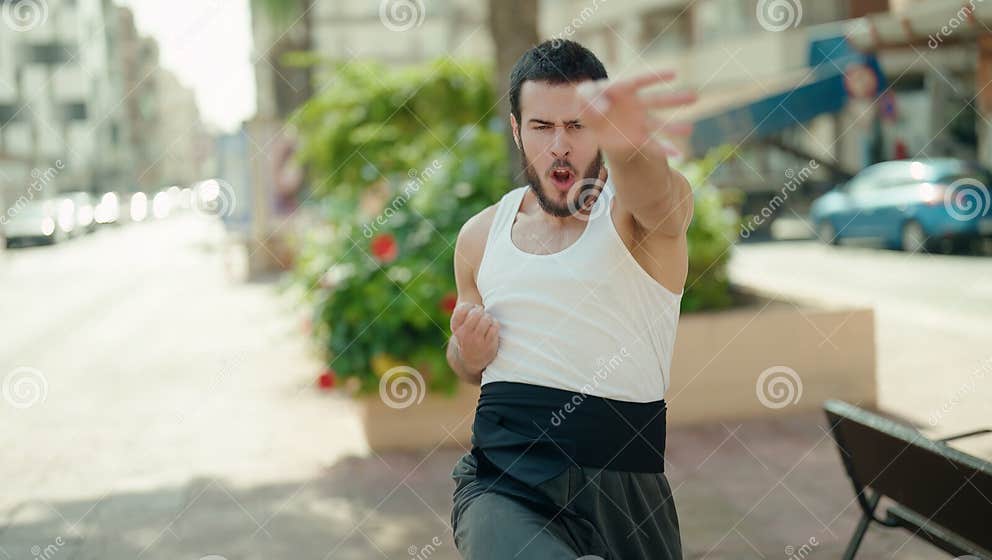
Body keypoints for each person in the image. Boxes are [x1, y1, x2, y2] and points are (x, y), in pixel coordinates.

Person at [446, 39, 696, 560]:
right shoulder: (479, 236)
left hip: (626, 486)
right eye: (542, 126)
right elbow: (465, 361)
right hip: (504, 475)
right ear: (517, 130)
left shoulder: (633, 219)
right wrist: (467, 356)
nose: (560, 145)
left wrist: (629, 144)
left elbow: (660, 203)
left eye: (578, 126)